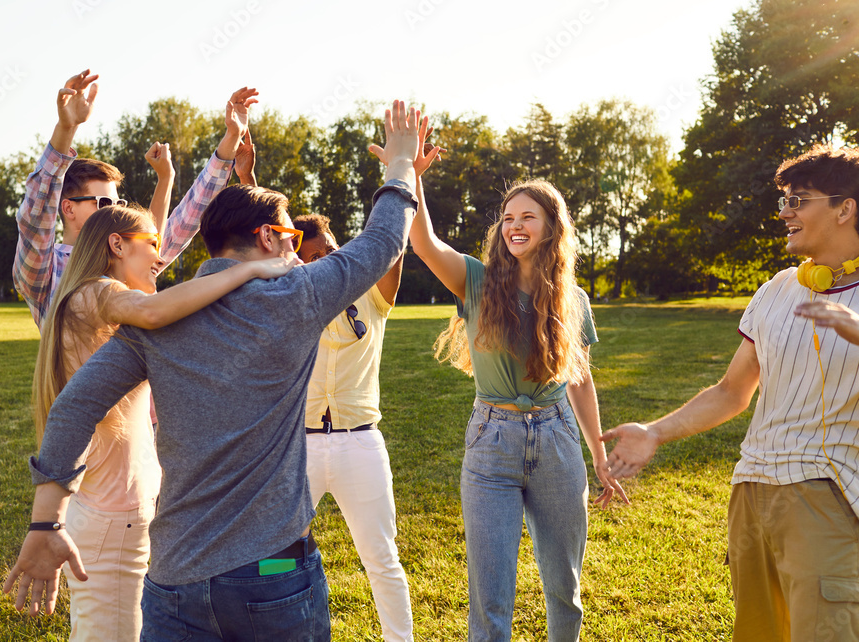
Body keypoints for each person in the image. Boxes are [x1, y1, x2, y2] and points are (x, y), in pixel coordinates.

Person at [3, 101, 424, 641]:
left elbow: (75, 407)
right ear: (269, 239)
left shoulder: (157, 317)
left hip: (173, 580)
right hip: (271, 577)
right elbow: (384, 242)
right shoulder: (298, 295)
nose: (296, 248)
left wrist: (46, 520)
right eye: (290, 238)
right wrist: (401, 167)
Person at [602, 144, 859, 641]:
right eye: (783, 201)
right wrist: (655, 431)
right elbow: (731, 391)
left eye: (799, 200)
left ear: (845, 207)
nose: (785, 213)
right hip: (751, 494)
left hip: (828, 497)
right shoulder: (775, 291)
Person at [32, 204, 294, 641]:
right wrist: (250, 271)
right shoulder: (95, 292)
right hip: (113, 520)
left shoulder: (89, 299)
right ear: (116, 245)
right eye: (152, 244)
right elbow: (156, 312)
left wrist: (167, 179)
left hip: (117, 512)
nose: (160, 256)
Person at [401, 147, 627, 639]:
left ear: (552, 227)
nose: (514, 226)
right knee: (491, 597)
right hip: (491, 441)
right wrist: (413, 177)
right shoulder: (476, 281)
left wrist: (600, 456)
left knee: (565, 589)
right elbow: (423, 242)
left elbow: (581, 380)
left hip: (557, 438)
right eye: (508, 218)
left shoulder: (574, 299)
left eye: (528, 216)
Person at [13, 68, 258, 325]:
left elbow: (187, 220)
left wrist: (231, 140)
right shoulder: (46, 271)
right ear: (68, 208)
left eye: (119, 203)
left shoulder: (127, 256)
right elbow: (36, 214)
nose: (115, 211)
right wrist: (66, 128)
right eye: (104, 203)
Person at [292, 212, 413, 641]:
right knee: (274, 557)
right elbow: (267, 240)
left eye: (332, 248)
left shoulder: (371, 295)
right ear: (296, 259)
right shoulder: (289, 297)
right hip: (297, 450)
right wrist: (249, 179)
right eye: (315, 254)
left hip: (360, 443)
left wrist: (406, 176)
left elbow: (394, 243)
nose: (329, 257)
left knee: (382, 558)